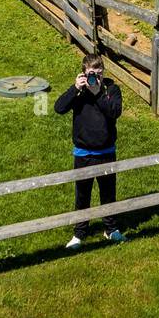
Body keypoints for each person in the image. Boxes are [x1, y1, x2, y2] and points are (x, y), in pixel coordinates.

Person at [55, 54, 125, 249]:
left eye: (100, 74)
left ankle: (111, 229)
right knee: (83, 194)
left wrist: (98, 94)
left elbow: (114, 112)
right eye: (92, 74)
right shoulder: (79, 92)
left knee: (108, 193)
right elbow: (59, 108)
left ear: (104, 73)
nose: (96, 78)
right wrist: (75, 88)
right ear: (84, 73)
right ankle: (79, 233)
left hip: (106, 152)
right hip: (83, 153)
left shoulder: (112, 89)